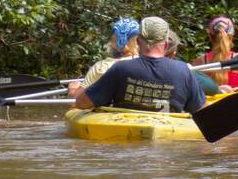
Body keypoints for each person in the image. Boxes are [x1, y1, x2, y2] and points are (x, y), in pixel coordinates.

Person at [67, 16, 206, 114]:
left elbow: (81, 103)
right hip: (168, 134)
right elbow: (204, 111)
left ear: (138, 41)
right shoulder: (184, 70)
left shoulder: (120, 69)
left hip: (126, 133)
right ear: (166, 44)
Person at [82, 17, 140, 86]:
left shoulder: (100, 67)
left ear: (114, 40)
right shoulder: (147, 66)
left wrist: (72, 88)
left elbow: (78, 96)